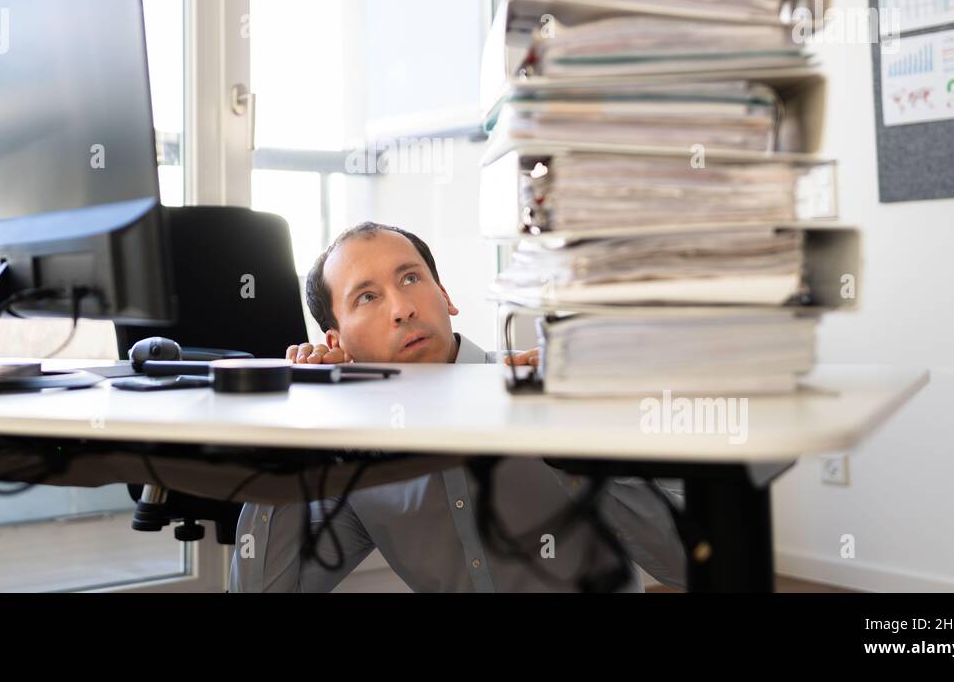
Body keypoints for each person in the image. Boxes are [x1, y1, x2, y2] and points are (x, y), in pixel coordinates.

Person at [228, 221, 687, 592]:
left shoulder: (552, 394)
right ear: (337, 342)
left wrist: (585, 442)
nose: (403, 308)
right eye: (368, 296)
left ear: (445, 298)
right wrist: (287, 443)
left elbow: (687, 567)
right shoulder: (356, 455)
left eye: (410, 278)